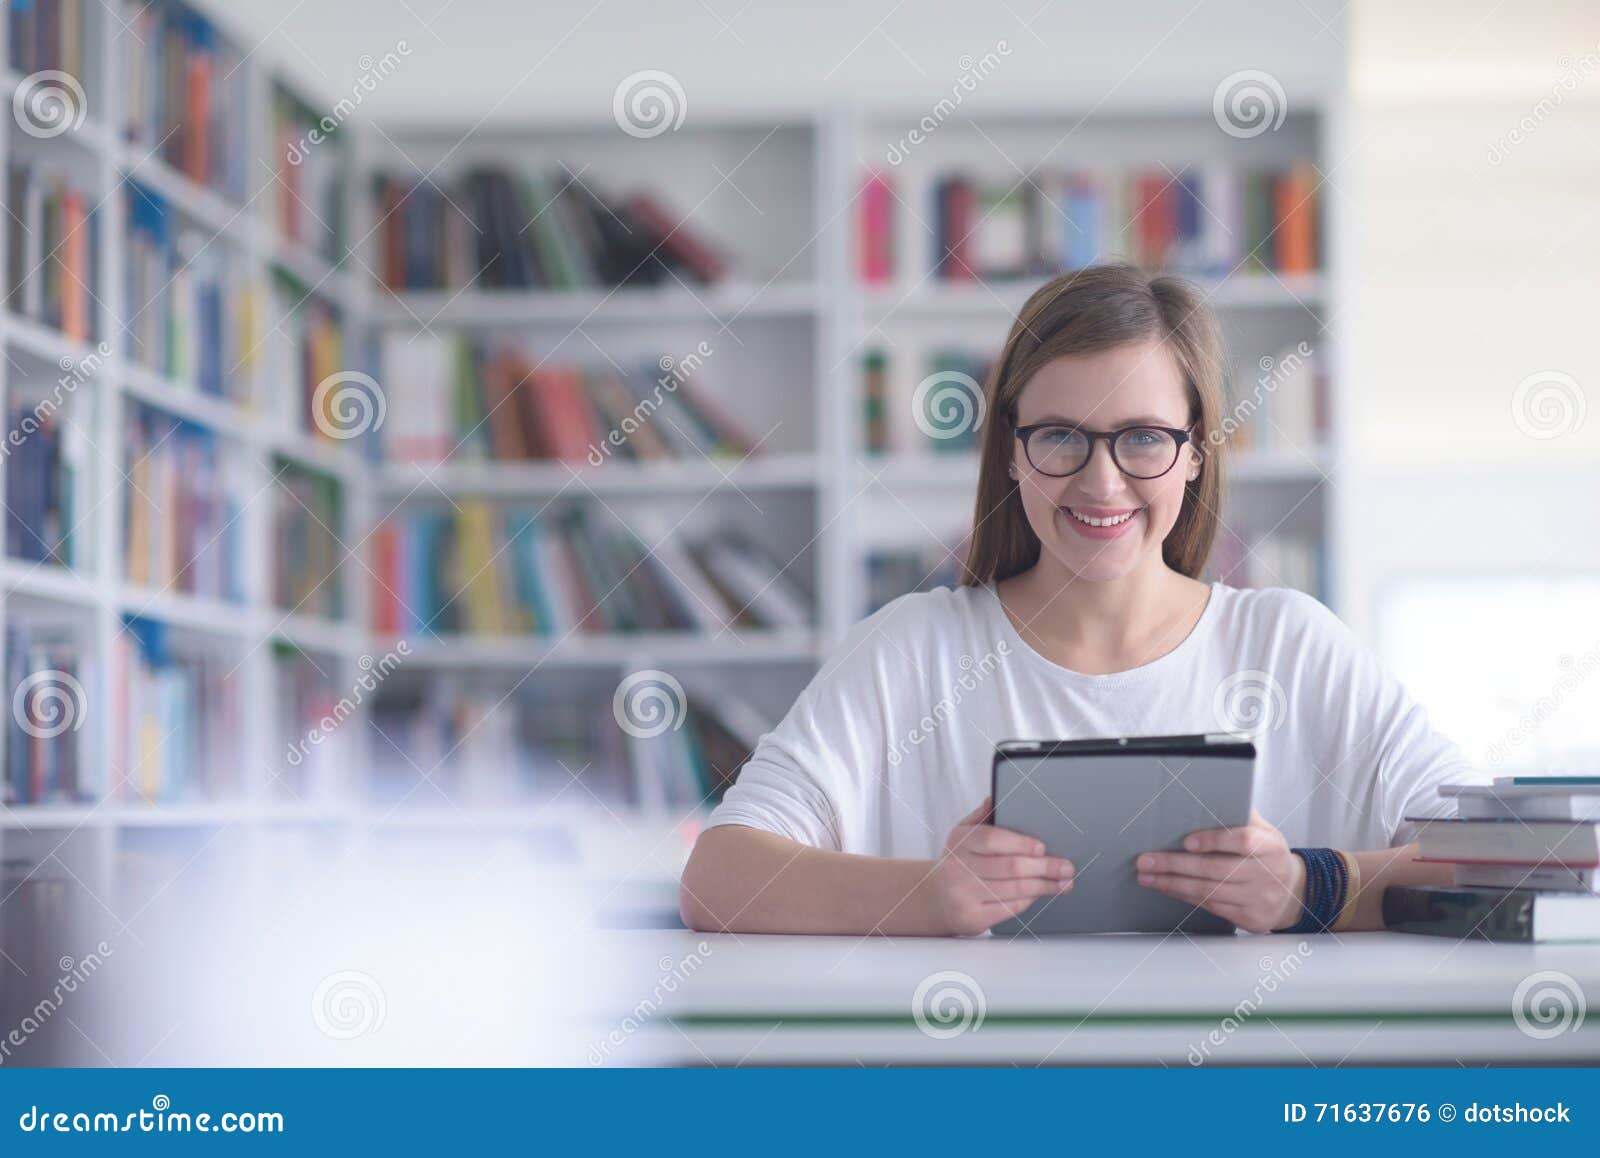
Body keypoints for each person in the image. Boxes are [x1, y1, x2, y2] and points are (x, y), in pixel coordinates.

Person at [680, 263, 1482, 937]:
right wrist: (929, 895)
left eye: (1143, 437)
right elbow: (716, 879)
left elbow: (1497, 858)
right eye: (1061, 436)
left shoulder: (1290, 645)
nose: (1101, 482)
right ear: (1012, 454)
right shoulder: (909, 651)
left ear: (1197, 452)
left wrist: (1309, 888)